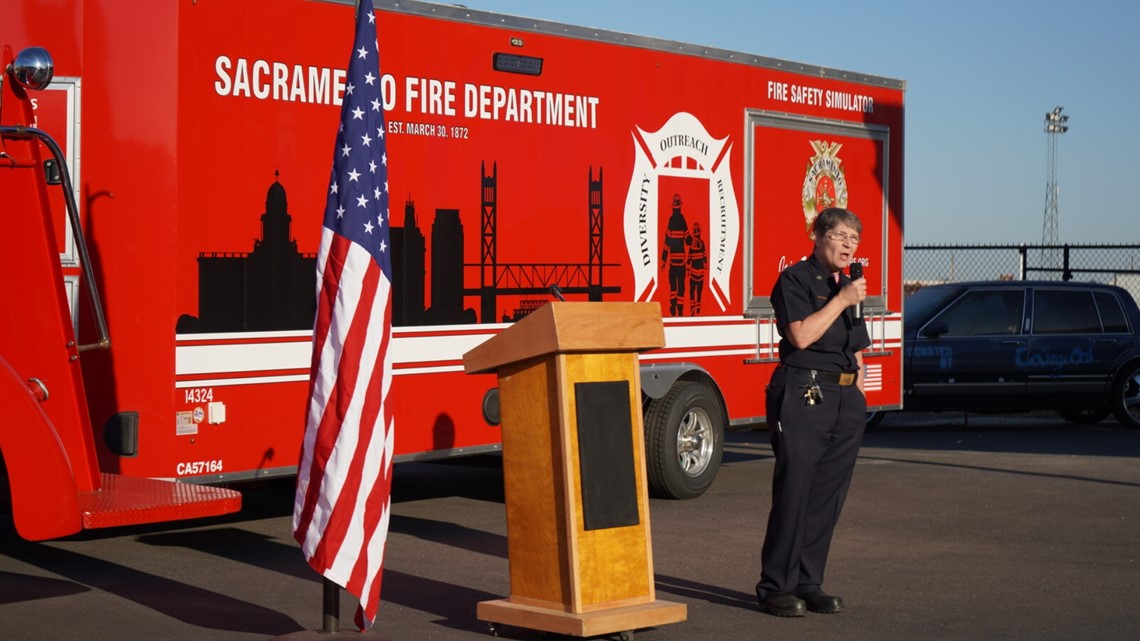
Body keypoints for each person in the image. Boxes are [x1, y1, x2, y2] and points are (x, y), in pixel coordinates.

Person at [756, 206, 870, 617]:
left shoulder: (849, 287)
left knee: (827, 496)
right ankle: (776, 585)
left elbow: (856, 348)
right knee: (796, 489)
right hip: (805, 393)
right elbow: (801, 336)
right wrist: (840, 299)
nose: (848, 244)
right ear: (818, 237)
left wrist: (857, 396)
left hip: (844, 399)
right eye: (840, 235)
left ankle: (808, 581)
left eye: (854, 239)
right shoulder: (795, 281)